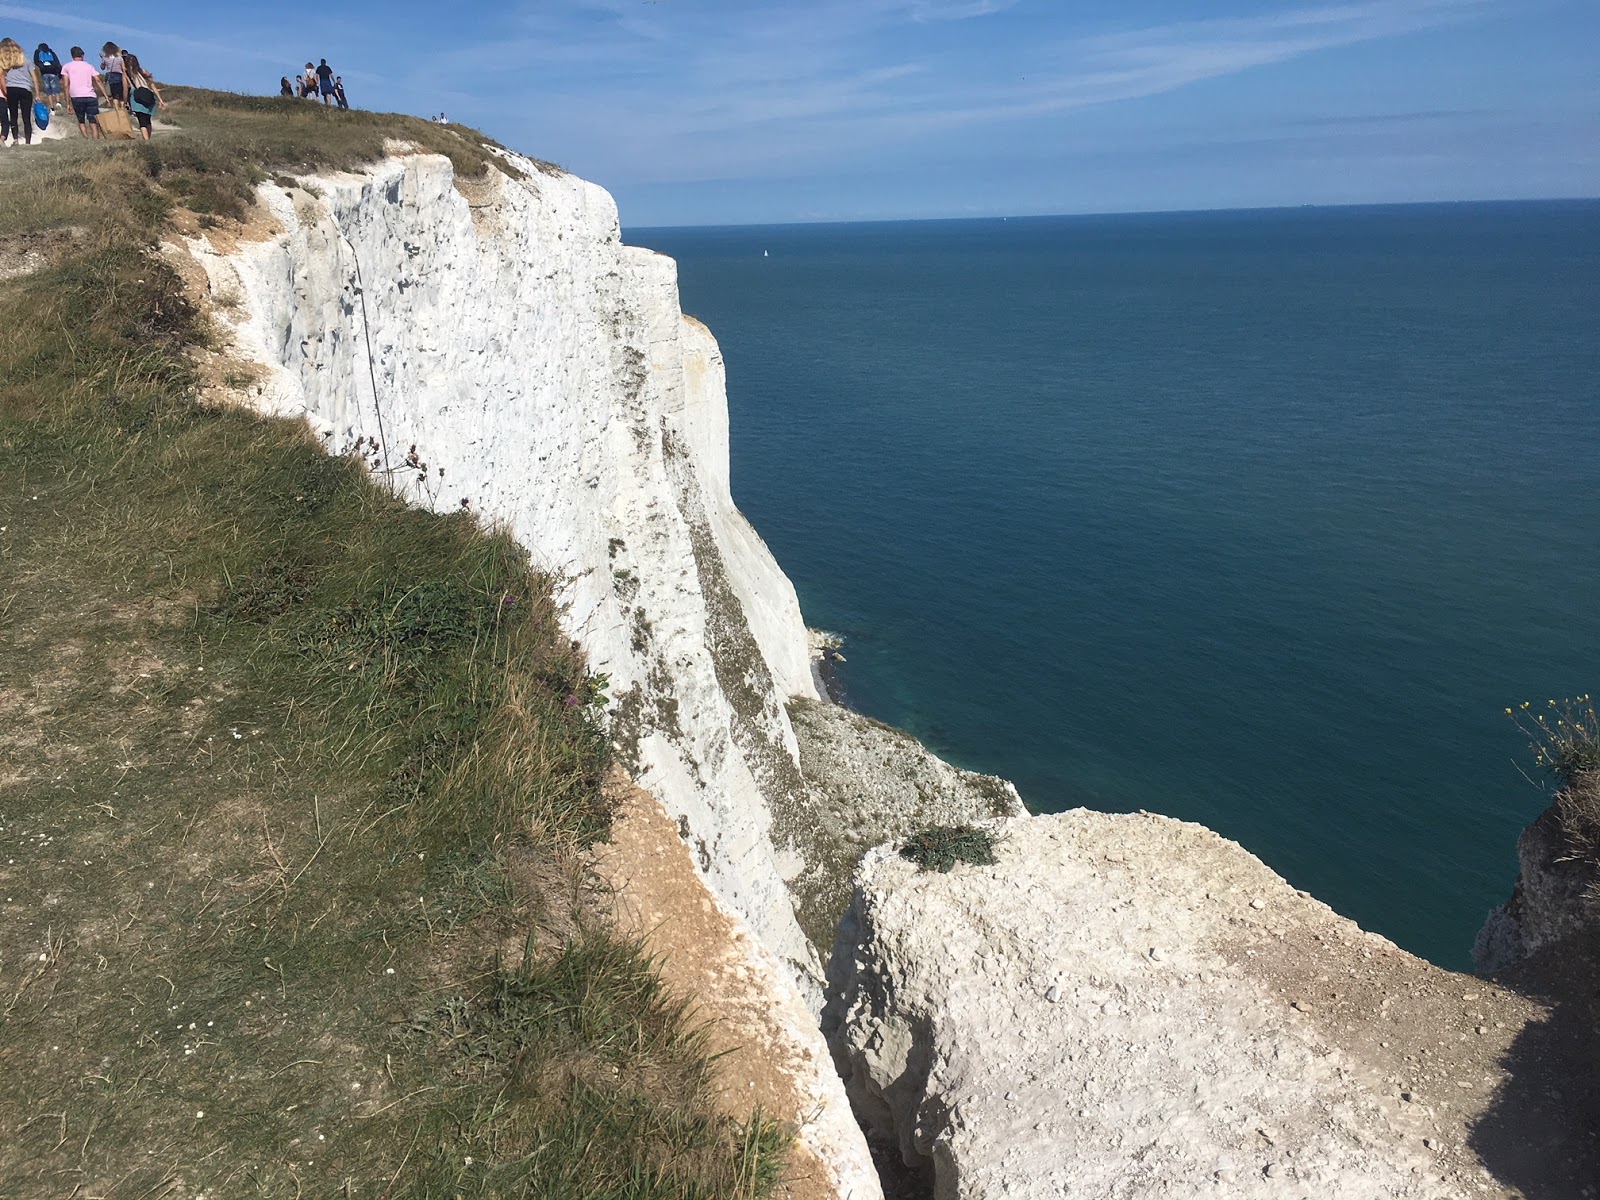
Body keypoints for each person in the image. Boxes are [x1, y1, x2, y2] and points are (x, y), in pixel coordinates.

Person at [0, 39, 39, 146]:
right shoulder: (26, 60)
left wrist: (5, 93)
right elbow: (34, 77)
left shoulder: (6, 61)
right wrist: (37, 93)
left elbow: (2, 77)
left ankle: (16, 140)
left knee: (13, 116)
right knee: (26, 117)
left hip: (11, 89)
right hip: (26, 89)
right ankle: (28, 141)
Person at [60, 47, 104, 139]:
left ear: (72, 55)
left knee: (81, 120)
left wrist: (68, 103)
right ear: (82, 55)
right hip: (90, 95)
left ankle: (86, 139)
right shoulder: (89, 66)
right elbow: (98, 80)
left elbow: (65, 85)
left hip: (76, 96)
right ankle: (96, 140)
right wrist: (106, 95)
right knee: (93, 120)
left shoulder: (66, 67)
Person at [120, 51, 165, 140]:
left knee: (142, 120)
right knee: (148, 120)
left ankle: (146, 140)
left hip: (136, 96)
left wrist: (125, 102)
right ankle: (148, 138)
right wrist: (160, 99)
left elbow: (125, 89)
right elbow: (152, 85)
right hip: (148, 95)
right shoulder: (143, 71)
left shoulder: (126, 75)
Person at [33, 42, 60, 112]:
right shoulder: (51, 52)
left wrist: (41, 66)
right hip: (53, 72)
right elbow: (57, 63)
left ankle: (52, 109)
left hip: (44, 73)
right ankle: (58, 102)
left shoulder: (38, 52)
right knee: (55, 88)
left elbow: (36, 61)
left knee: (48, 91)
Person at [100, 42, 123, 112]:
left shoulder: (105, 58)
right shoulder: (119, 58)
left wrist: (102, 58)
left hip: (111, 75)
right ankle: (122, 109)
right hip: (119, 75)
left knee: (115, 95)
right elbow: (123, 68)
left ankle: (117, 110)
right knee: (121, 95)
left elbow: (102, 68)